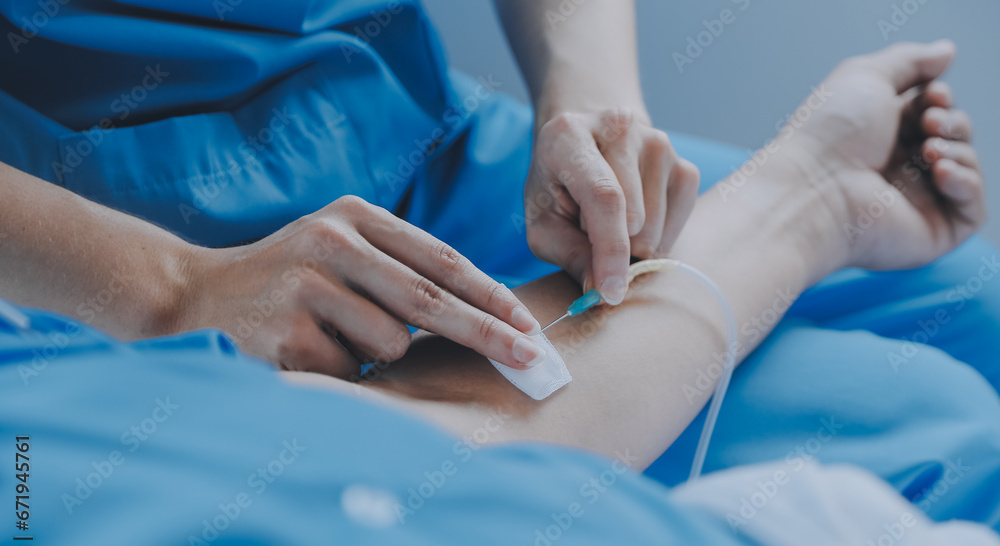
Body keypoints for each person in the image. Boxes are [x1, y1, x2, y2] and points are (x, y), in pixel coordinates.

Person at [2, 39, 999, 546]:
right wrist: (169, 286)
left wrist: (594, 95)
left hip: (392, 118)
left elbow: (456, 429)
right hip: (87, 217)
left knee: (969, 302)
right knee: (932, 424)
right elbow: (430, 441)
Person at [0, 0, 699, 377]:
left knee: (715, 267)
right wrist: (174, 292)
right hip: (85, 255)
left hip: (419, 131)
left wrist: (592, 103)